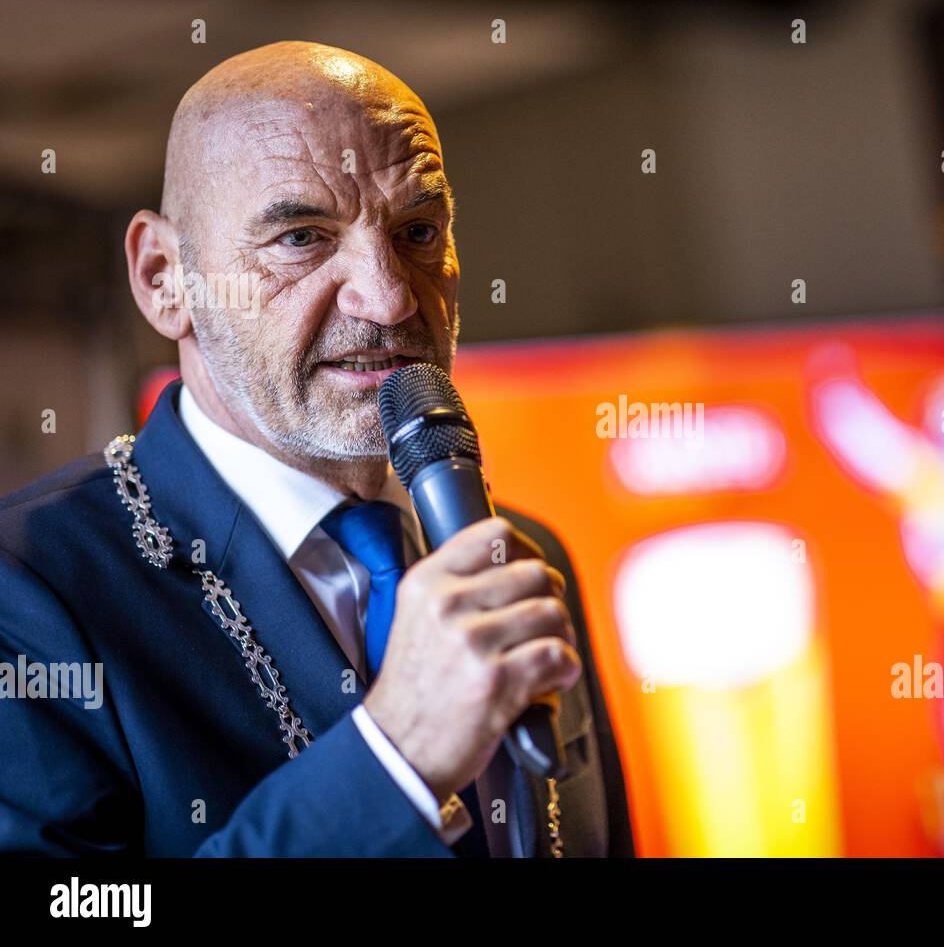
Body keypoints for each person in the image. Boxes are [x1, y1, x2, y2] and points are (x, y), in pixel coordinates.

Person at [0, 41, 634, 857]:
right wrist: (394, 759)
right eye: (302, 237)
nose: (390, 296)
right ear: (164, 277)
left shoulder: (517, 559)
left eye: (417, 231)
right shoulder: (29, 592)